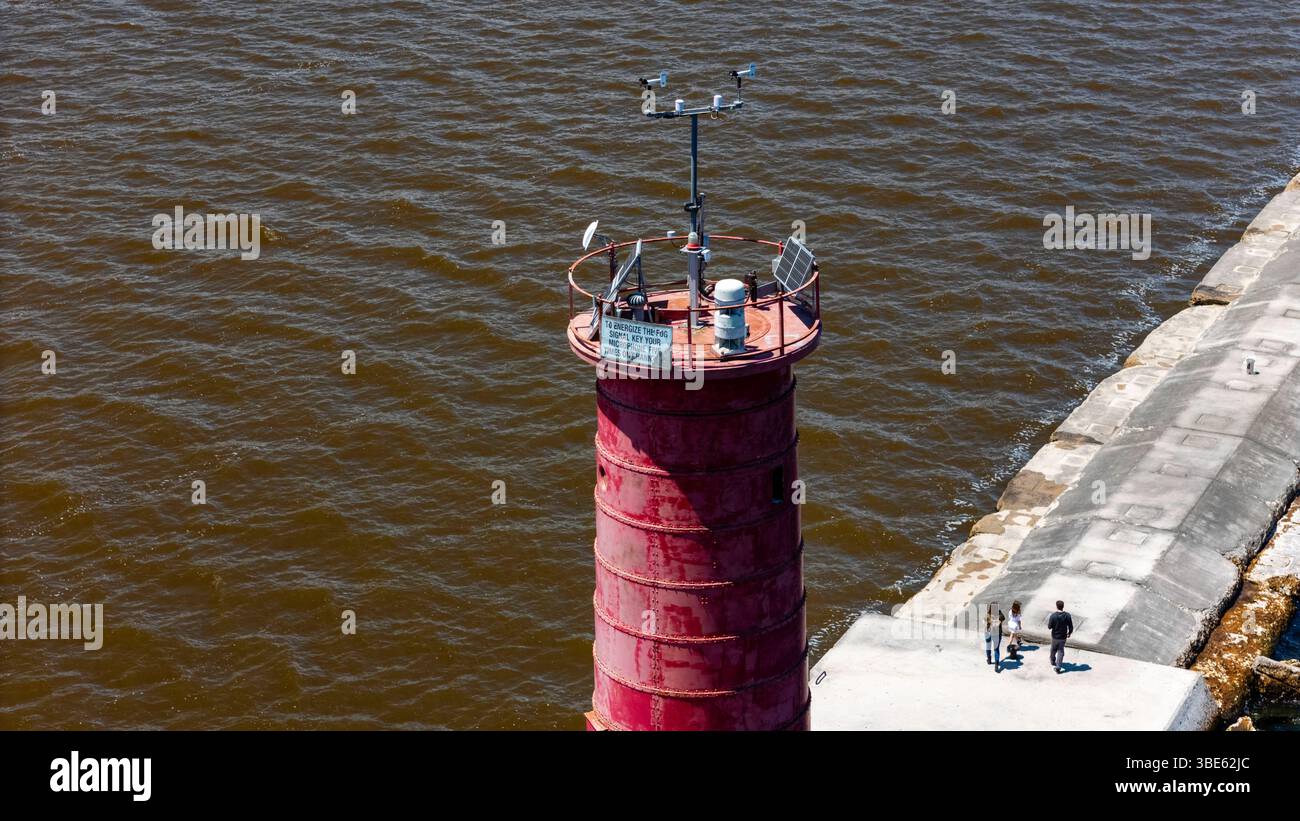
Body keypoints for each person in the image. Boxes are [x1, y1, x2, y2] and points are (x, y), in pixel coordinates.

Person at [1048, 600, 1073, 673]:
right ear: (1063, 606)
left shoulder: (1053, 616)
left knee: (1053, 649)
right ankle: (1058, 666)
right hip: (1063, 637)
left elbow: (1049, 627)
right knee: (1060, 651)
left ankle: (1052, 661)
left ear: (1056, 606)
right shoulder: (1067, 615)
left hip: (1055, 637)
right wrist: (1069, 633)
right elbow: (1071, 626)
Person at [984, 602, 1005, 673]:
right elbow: (1003, 618)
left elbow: (984, 621)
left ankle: (989, 660)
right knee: (996, 649)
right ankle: (996, 664)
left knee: (988, 646)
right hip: (997, 634)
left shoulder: (988, 614)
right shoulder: (999, 614)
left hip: (988, 633)